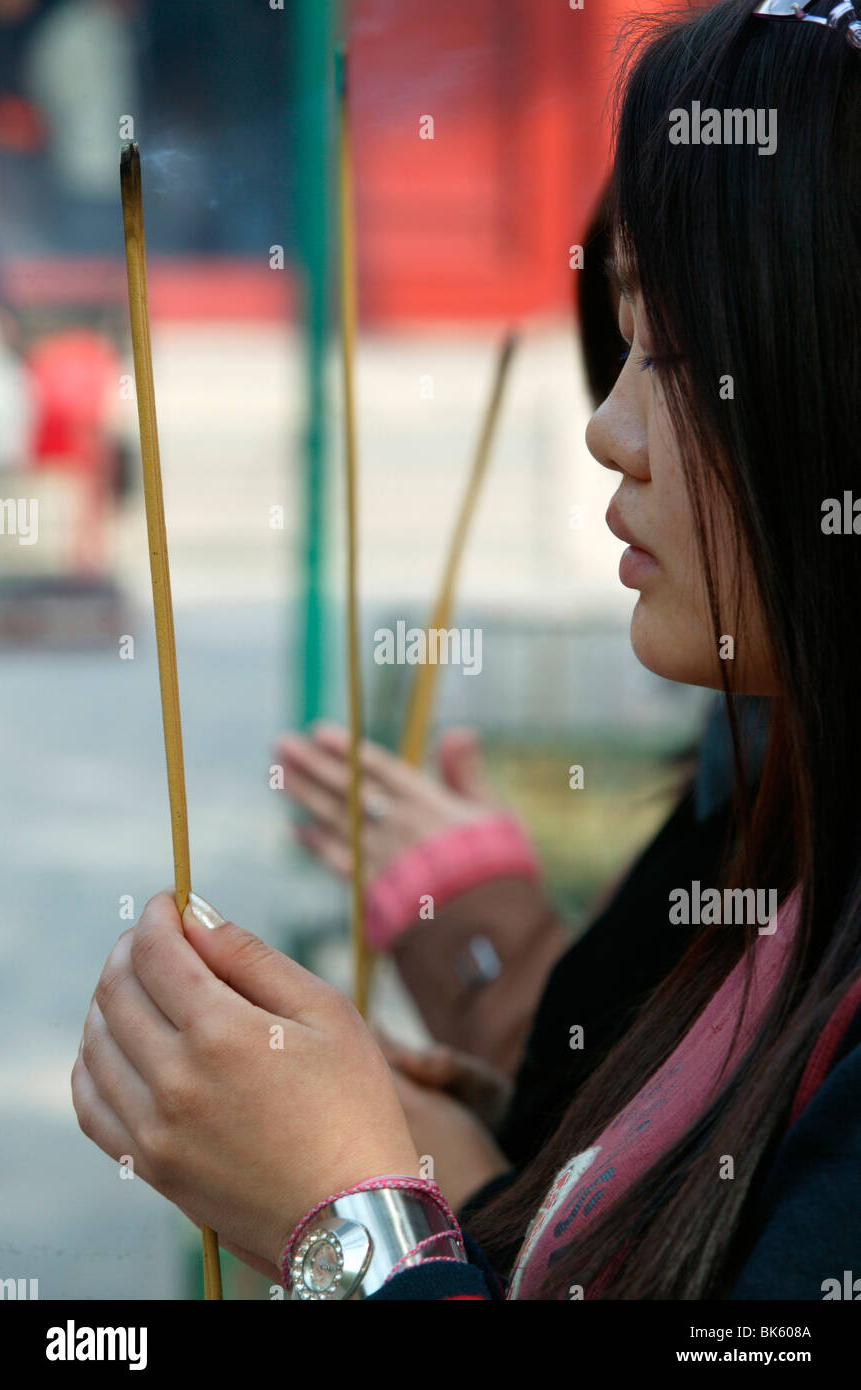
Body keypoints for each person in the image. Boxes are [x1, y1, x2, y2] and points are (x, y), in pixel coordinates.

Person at [73, 0, 861, 1299]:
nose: (607, 429)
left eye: (677, 350)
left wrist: (358, 1226)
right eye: (619, 339)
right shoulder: (796, 844)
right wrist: (473, 1159)